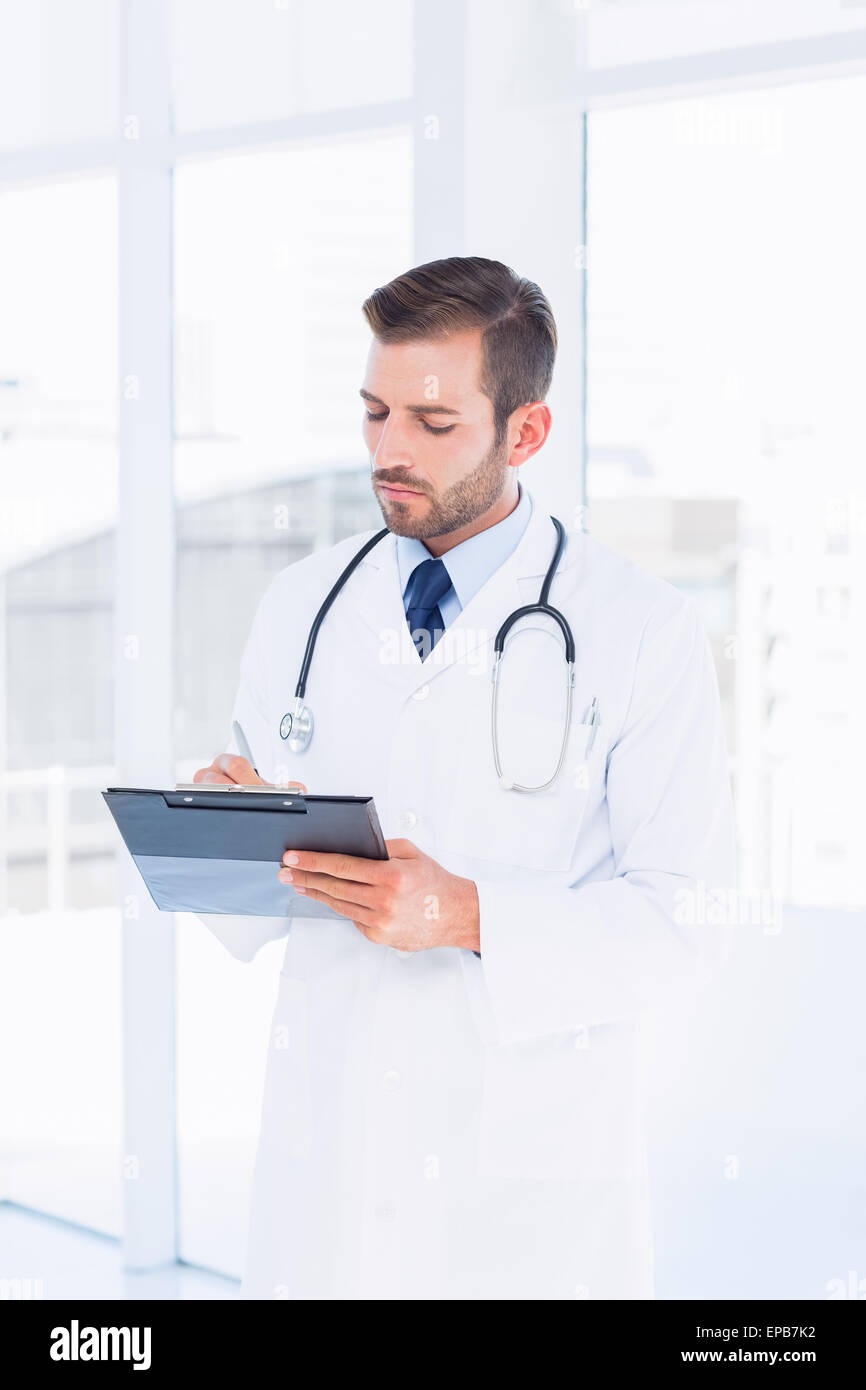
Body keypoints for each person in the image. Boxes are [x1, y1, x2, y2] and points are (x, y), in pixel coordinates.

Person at [194, 255, 736, 1300]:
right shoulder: (301, 606)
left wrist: (469, 913)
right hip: (331, 1170)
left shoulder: (640, 631)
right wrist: (229, 833)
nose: (389, 451)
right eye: (373, 412)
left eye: (432, 424)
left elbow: (686, 923)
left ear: (522, 432)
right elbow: (257, 903)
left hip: (525, 1194)